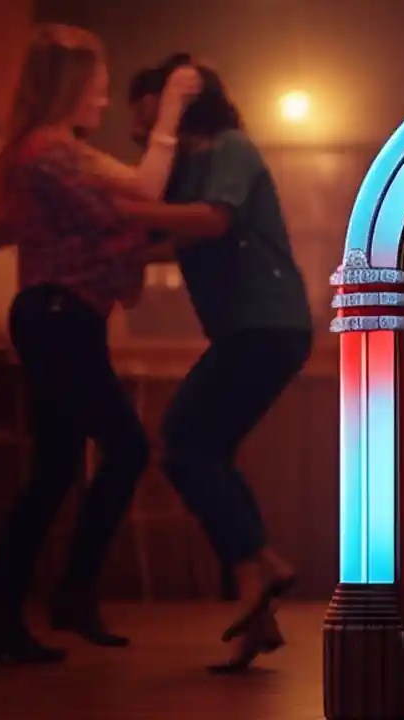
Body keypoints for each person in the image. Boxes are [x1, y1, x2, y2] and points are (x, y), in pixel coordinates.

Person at [0, 24, 198, 664]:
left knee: (56, 471)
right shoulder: (49, 153)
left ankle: (8, 619)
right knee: (118, 450)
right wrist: (174, 106)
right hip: (59, 316)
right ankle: (63, 597)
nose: (102, 102)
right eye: (96, 89)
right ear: (70, 87)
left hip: (59, 317)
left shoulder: (37, 156)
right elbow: (144, 194)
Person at [118, 55, 313, 671]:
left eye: (145, 105)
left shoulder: (230, 148)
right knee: (204, 450)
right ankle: (259, 601)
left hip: (267, 325)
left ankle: (260, 564)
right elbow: (174, 237)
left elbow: (212, 220)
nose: (141, 123)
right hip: (247, 329)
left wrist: (120, 211)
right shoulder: (187, 167)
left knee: (185, 443)